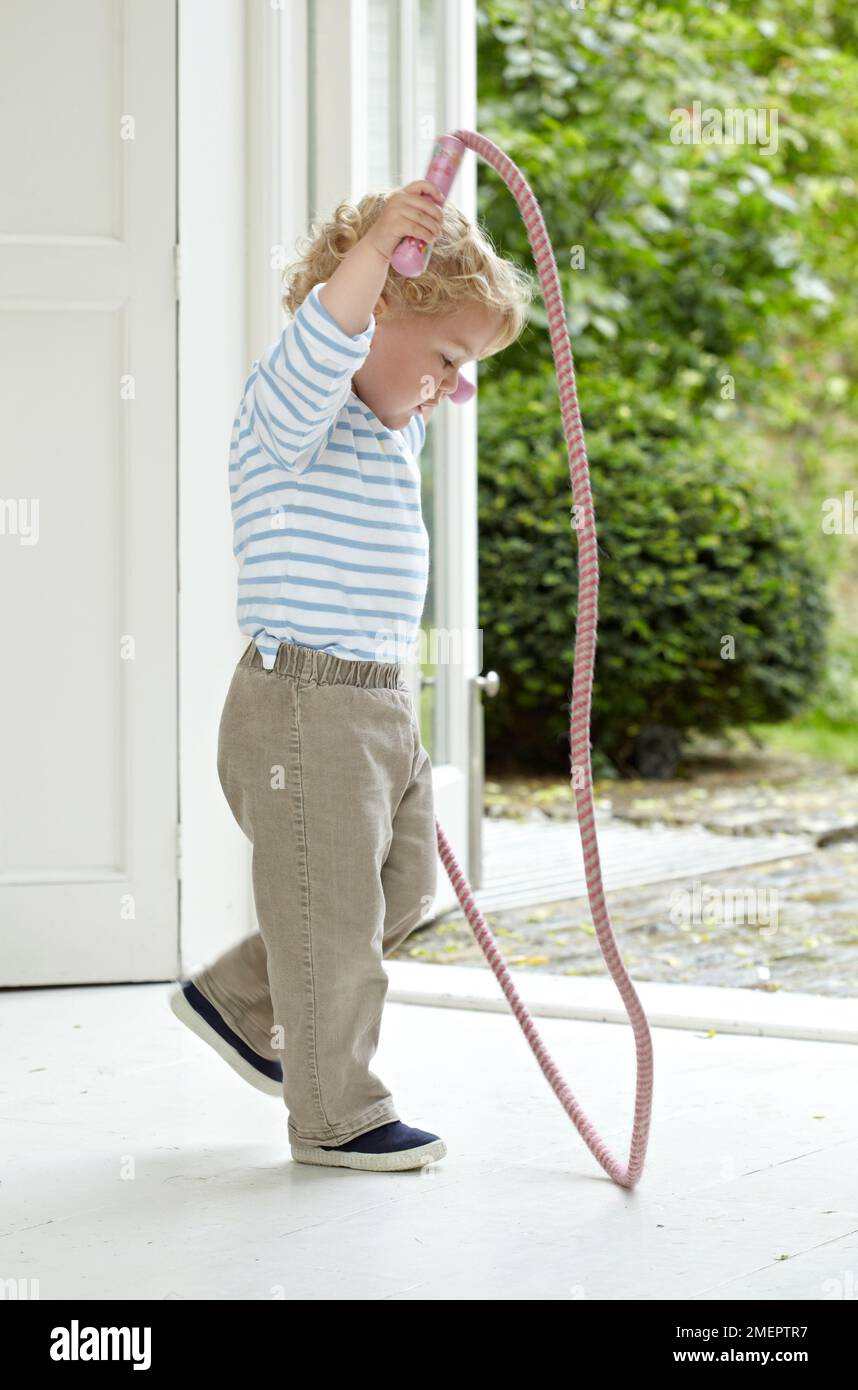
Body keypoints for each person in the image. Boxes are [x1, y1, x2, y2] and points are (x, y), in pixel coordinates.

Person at [170, 179, 533, 1171]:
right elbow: (336, 328)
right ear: (376, 311)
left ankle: (243, 997)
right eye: (448, 358)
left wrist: (439, 347)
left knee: (399, 891)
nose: (454, 385)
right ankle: (337, 1112)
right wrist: (376, 251)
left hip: (376, 703)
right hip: (304, 705)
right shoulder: (290, 410)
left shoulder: (387, 428)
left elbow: (396, 358)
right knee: (334, 919)